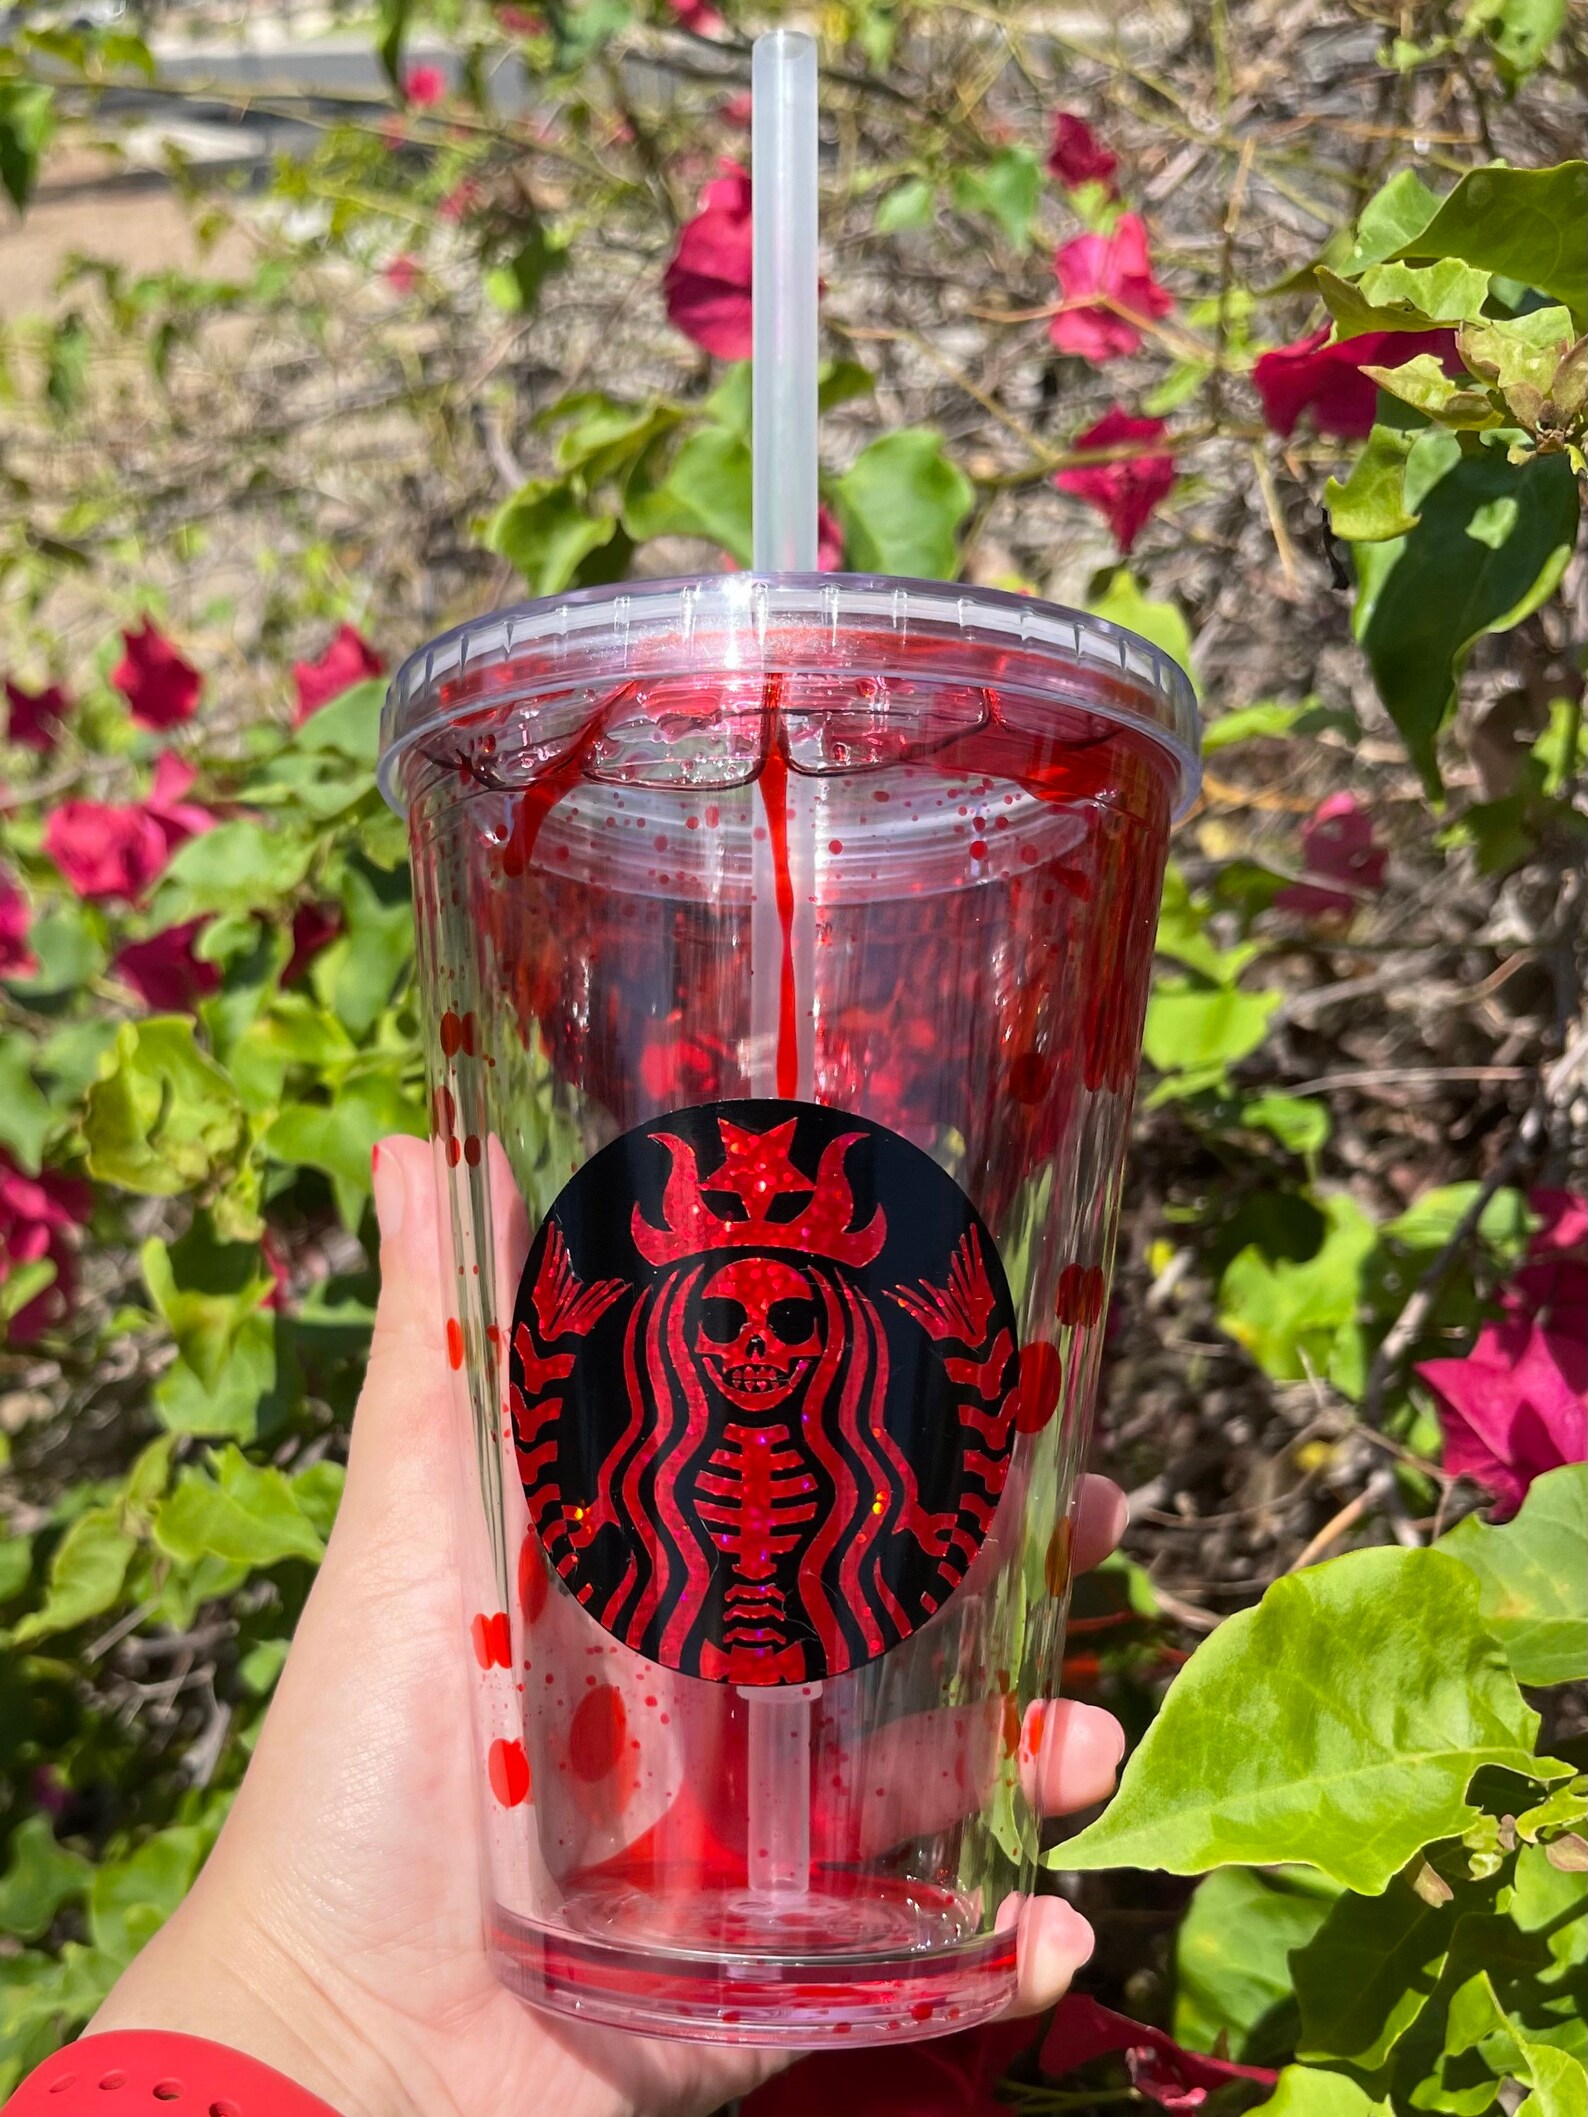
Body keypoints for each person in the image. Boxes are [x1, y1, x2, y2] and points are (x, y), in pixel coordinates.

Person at [75, 1135, 1128, 2117]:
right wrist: (331, 2003)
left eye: (790, 1325)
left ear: (843, 1341)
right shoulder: (644, 1474)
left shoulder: (867, 1479)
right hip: (556, 1942)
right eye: (725, 1324)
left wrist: (328, 2021)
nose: (755, 1351)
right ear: (672, 1337)